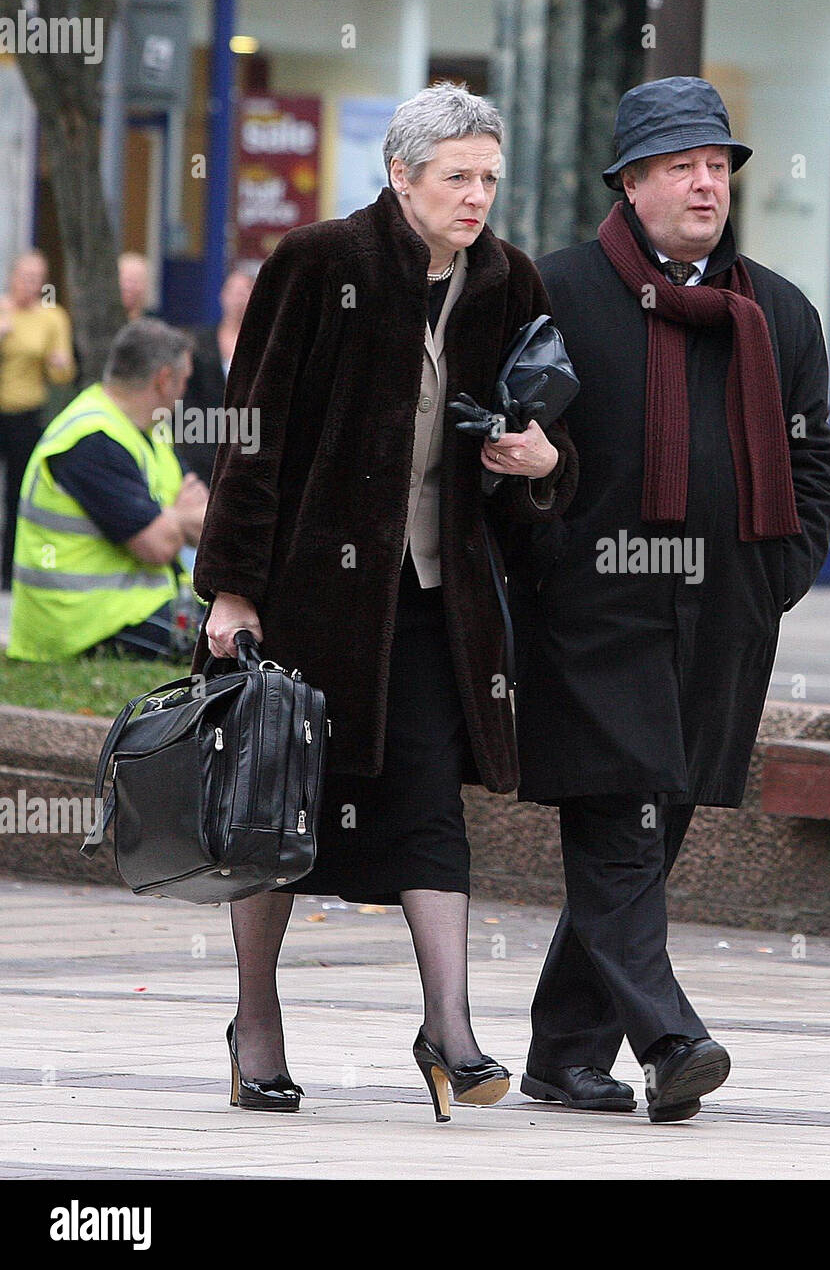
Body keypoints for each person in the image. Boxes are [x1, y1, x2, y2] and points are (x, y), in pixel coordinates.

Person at [190, 82, 577, 1120]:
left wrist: (538, 460)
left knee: (425, 803)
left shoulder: (507, 280)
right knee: (278, 804)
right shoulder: (320, 264)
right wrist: (231, 591)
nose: (477, 196)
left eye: (490, 177)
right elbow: (251, 432)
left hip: (432, 601)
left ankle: (448, 1032)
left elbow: (539, 455)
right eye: (458, 176)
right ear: (399, 175)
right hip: (305, 600)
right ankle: (256, 1023)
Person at [510, 76, 830, 1122]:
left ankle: (564, 1057)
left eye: (717, 166)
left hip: (722, 623)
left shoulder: (776, 313)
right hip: (596, 617)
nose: (706, 183)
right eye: (682, 166)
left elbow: (814, 461)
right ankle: (671, 1039)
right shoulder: (557, 292)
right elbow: (512, 449)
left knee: (653, 834)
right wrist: (552, 564)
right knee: (619, 824)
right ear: (632, 183)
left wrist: (775, 578)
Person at [7, 318, 206, 661]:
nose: (184, 392)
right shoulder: (90, 439)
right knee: (227, 645)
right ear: (163, 380)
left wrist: (170, 520)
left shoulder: (149, 434)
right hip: (81, 627)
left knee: (235, 632)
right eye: (184, 380)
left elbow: (207, 520)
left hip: (126, 611)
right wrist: (176, 518)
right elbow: (156, 546)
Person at [0, 250, 76, 590]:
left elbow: (63, 374)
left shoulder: (52, 317)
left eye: (37, 278)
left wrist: (58, 362)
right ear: (12, 277)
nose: (29, 285)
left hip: (26, 413)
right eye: (24, 277)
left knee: (18, 494)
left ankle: (8, 572)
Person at [177, 267, 255, 485]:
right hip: (203, 442)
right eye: (234, 291)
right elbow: (186, 396)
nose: (239, 299)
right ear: (222, 295)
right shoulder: (200, 341)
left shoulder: (268, 343)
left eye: (246, 291)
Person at [118, 252, 154, 322]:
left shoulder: (153, 329)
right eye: (124, 280)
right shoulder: (99, 326)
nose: (127, 287)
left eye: (134, 281)